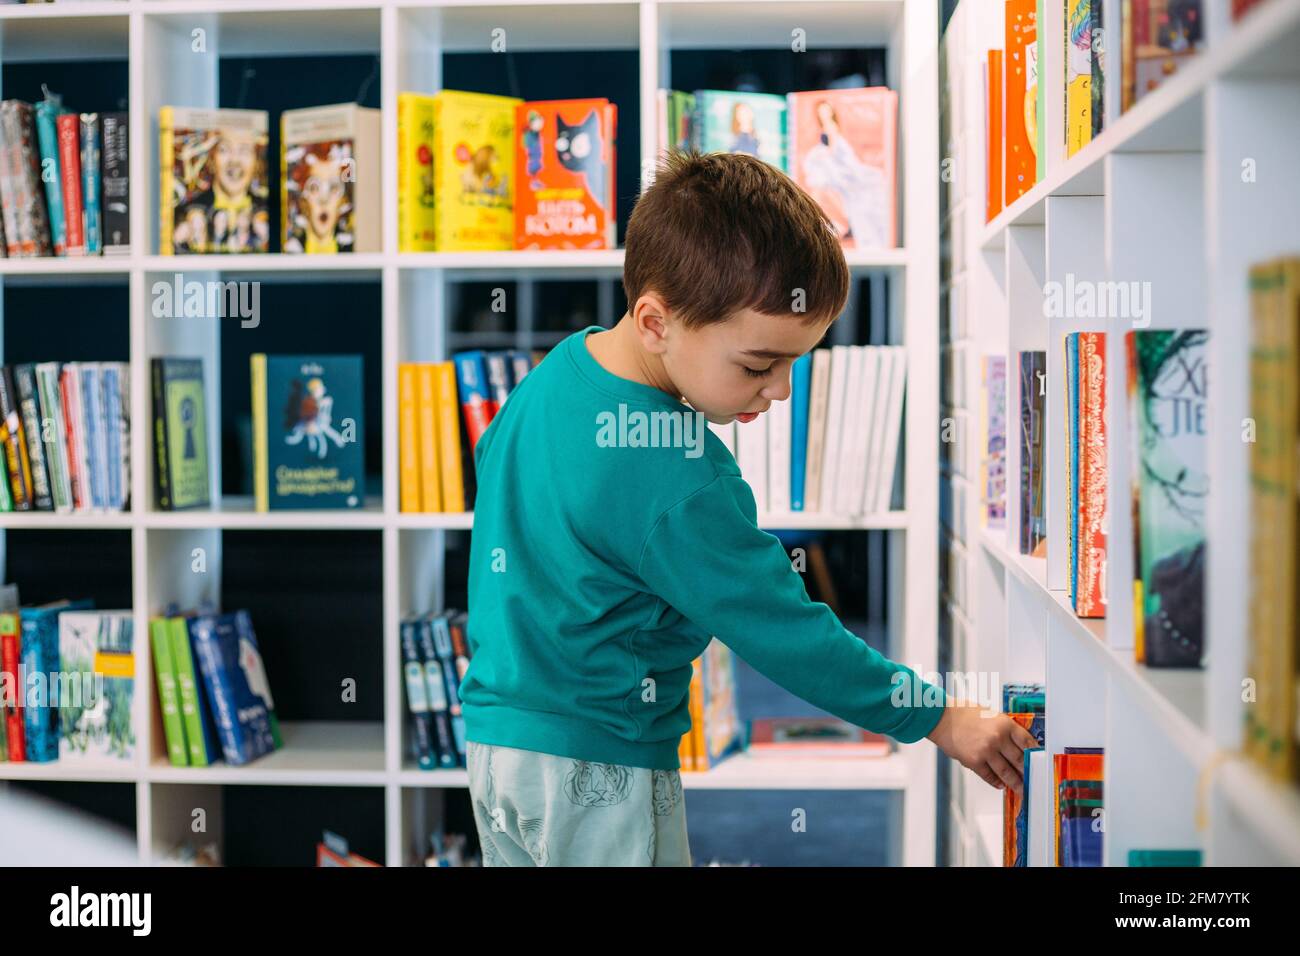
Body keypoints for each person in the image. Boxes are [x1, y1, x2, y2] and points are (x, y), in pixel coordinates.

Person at [462, 150, 1037, 866]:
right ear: (654, 322)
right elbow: (784, 633)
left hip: (496, 747)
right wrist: (938, 716)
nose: (781, 391)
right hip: (598, 766)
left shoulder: (546, 382)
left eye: (796, 363)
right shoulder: (679, 474)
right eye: (759, 365)